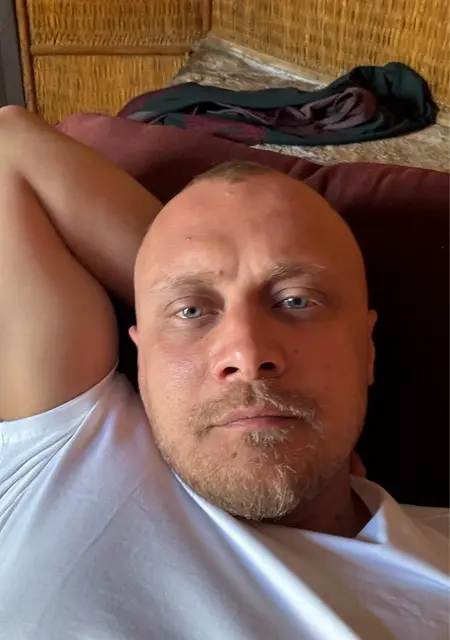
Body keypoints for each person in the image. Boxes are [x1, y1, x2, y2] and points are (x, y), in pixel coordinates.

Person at [0, 106, 447, 640]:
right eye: (192, 311)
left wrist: (181, 301)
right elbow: (8, 146)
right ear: (143, 358)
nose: (247, 353)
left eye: (297, 300)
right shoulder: (64, 458)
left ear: (366, 349)